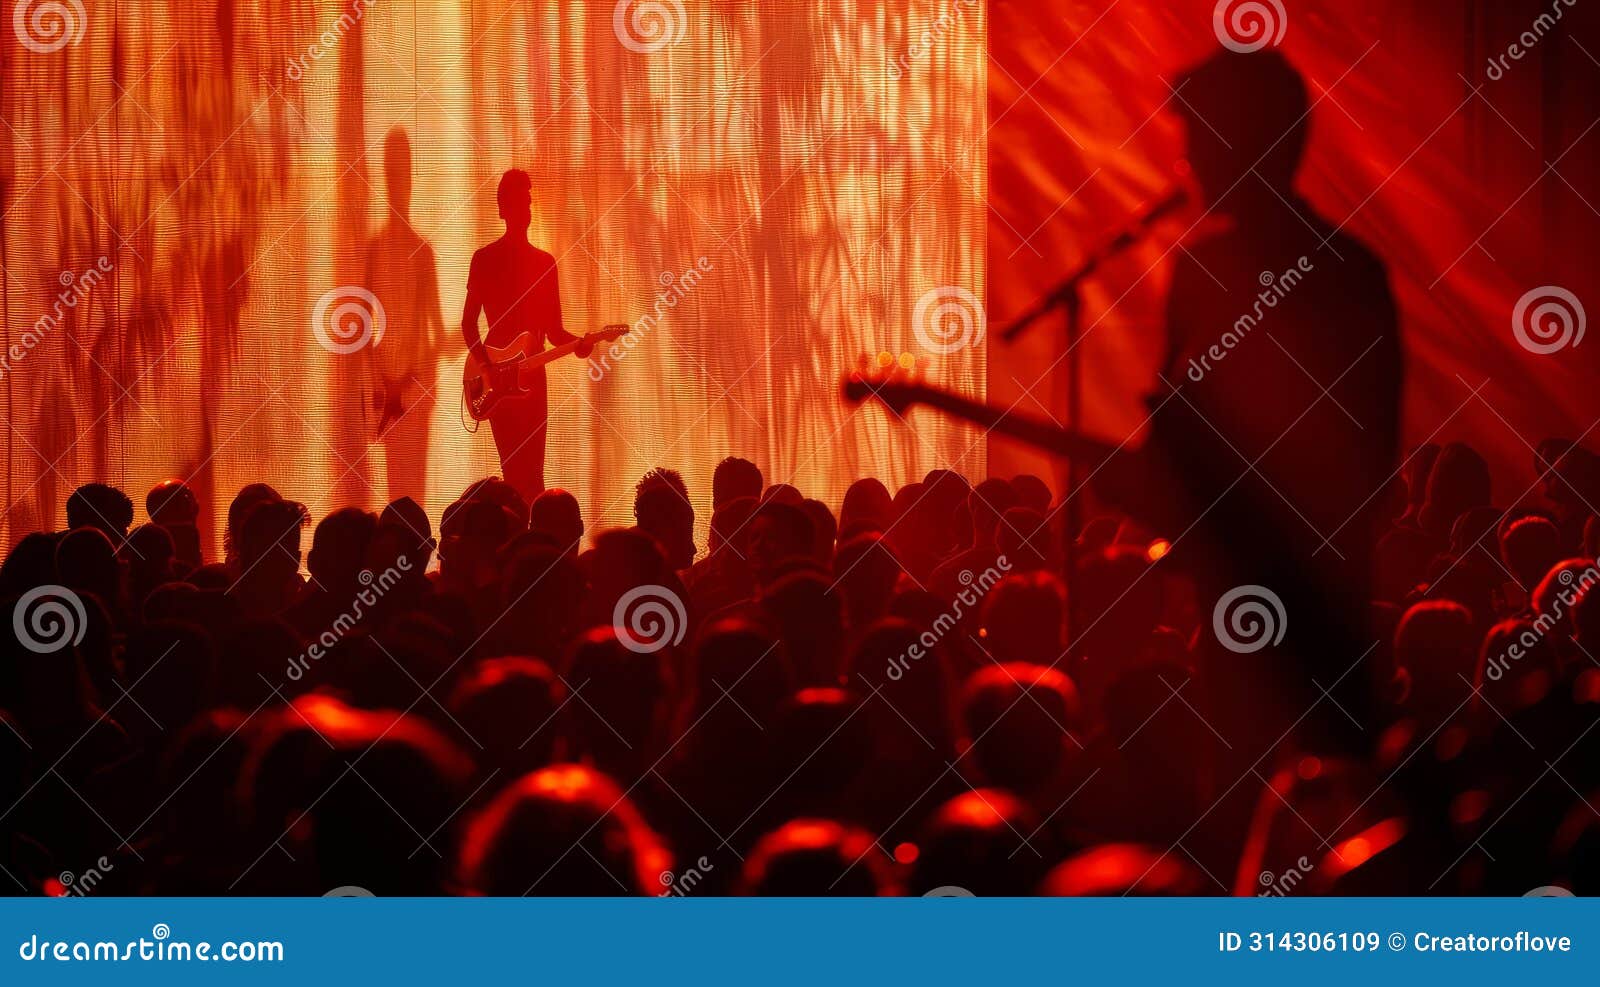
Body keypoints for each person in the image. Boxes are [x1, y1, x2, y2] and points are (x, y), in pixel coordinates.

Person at [463, 169, 592, 502]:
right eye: (518, 202)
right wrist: (487, 368)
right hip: (497, 380)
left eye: (528, 203)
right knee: (513, 472)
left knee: (533, 472)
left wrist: (580, 344)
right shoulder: (484, 259)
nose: (526, 210)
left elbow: (554, 332)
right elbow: (468, 324)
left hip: (532, 380)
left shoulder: (545, 263)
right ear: (502, 209)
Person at [366, 127, 447, 508]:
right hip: (385, 385)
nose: (399, 181)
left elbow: (434, 327)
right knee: (396, 481)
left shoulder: (423, 251)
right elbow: (363, 324)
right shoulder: (375, 249)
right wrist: (384, 379)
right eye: (392, 171)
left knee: (413, 482)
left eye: (404, 172)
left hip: (415, 385)